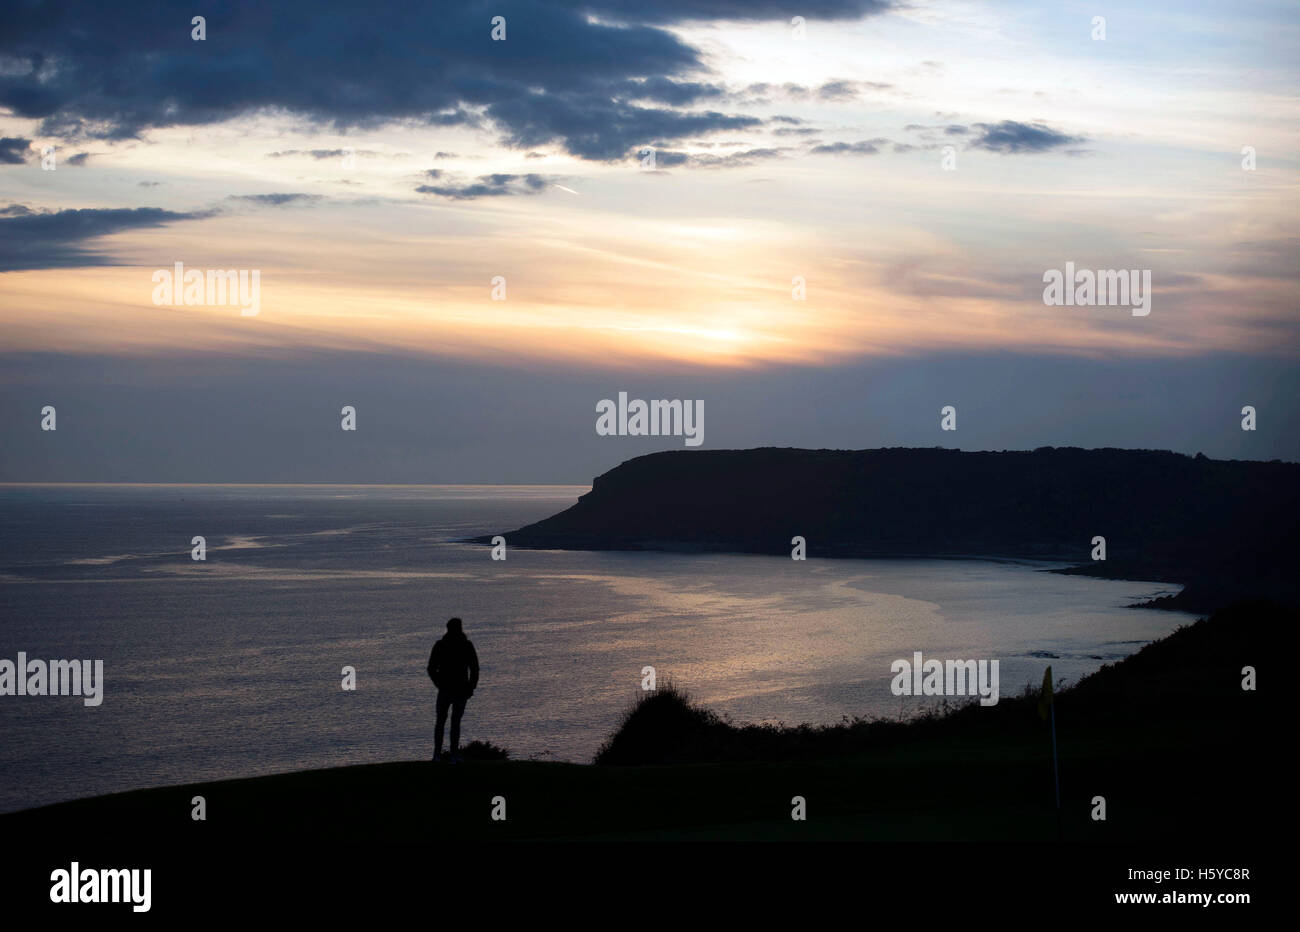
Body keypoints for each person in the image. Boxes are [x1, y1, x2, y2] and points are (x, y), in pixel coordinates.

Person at [426, 617, 479, 763]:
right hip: (457, 689)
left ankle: (439, 755)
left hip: (450, 690)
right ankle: (452, 755)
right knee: (453, 722)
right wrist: (470, 687)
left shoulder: (441, 645)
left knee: (442, 722)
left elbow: (431, 669)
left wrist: (439, 684)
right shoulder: (466, 645)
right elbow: (474, 668)